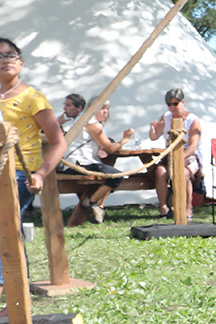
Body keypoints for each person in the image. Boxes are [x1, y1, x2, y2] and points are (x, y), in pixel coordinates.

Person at [0, 38, 67, 221]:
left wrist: (40, 174)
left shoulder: (33, 98)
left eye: (10, 56)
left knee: (7, 227)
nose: (5, 60)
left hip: (21, 173)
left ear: (20, 63)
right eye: (0, 57)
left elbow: (58, 142)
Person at [63, 99, 133, 225]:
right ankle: (92, 201)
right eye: (102, 108)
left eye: (107, 109)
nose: (105, 112)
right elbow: (110, 148)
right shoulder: (92, 124)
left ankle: (92, 205)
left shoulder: (80, 120)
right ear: (93, 109)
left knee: (106, 174)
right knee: (116, 176)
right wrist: (125, 139)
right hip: (80, 164)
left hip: (71, 163)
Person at [148, 87, 202, 221]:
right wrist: (152, 127)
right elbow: (154, 137)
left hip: (188, 156)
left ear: (182, 102)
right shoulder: (166, 117)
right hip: (170, 155)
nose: (172, 107)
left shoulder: (192, 120)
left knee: (184, 174)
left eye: (175, 104)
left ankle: (188, 207)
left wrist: (180, 158)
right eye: (169, 104)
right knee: (160, 172)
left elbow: (194, 146)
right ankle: (164, 207)